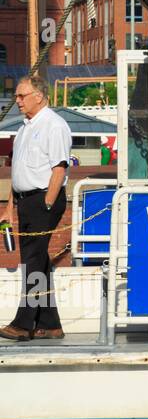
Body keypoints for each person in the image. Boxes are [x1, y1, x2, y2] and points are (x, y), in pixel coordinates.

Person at [1, 76, 72, 341]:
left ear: (39, 96)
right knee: (37, 260)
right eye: (17, 96)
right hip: (26, 200)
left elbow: (59, 169)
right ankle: (50, 324)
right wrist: (9, 207)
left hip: (43, 199)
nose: (17, 101)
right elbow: (19, 173)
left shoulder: (54, 125)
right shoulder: (24, 129)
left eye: (22, 95)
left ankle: (23, 323)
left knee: (32, 260)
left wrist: (47, 204)